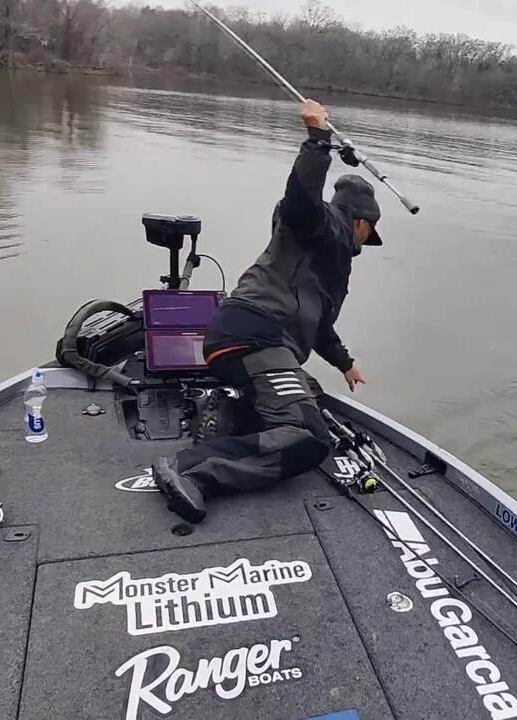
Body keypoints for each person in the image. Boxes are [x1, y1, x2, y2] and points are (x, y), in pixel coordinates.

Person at [152, 98, 382, 524]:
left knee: (310, 394)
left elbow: (320, 326)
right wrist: (318, 140)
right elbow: (299, 203)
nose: (367, 243)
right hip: (256, 334)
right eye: (370, 234)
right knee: (310, 438)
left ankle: (234, 415)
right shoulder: (325, 223)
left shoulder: (331, 262)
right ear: (362, 222)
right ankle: (194, 471)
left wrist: (346, 364)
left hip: (256, 341)